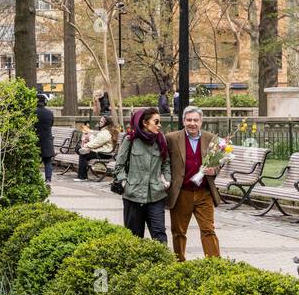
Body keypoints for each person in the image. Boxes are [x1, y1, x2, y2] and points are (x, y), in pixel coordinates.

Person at [166, 106, 222, 260]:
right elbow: (165, 162)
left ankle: (215, 264)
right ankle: (179, 262)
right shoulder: (172, 138)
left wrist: (214, 170)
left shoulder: (210, 138)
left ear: (201, 122)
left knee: (208, 229)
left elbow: (219, 161)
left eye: (195, 120)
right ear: (183, 121)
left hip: (204, 193)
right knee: (178, 231)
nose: (192, 123)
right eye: (189, 120)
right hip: (182, 192)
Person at [114, 107, 170, 243]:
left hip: (156, 194)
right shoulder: (130, 140)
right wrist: (124, 183)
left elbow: (166, 164)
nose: (159, 125)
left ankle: (162, 263)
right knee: (133, 237)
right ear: (145, 123)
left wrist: (166, 180)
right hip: (133, 195)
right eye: (156, 122)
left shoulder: (161, 140)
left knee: (159, 235)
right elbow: (119, 166)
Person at [76, 115, 118, 180]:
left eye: (101, 122)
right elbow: (96, 141)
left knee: (82, 153)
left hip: (104, 154)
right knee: (80, 150)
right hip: (101, 151)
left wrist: (85, 146)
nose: (100, 122)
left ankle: (82, 177)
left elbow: (96, 143)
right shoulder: (105, 131)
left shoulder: (105, 133)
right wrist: (89, 138)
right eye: (100, 121)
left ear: (106, 123)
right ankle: (82, 176)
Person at [35, 92, 55, 184]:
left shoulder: (33, 112)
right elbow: (51, 125)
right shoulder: (50, 113)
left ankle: (34, 179)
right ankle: (48, 179)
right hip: (47, 140)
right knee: (47, 161)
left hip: (35, 140)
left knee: (34, 161)